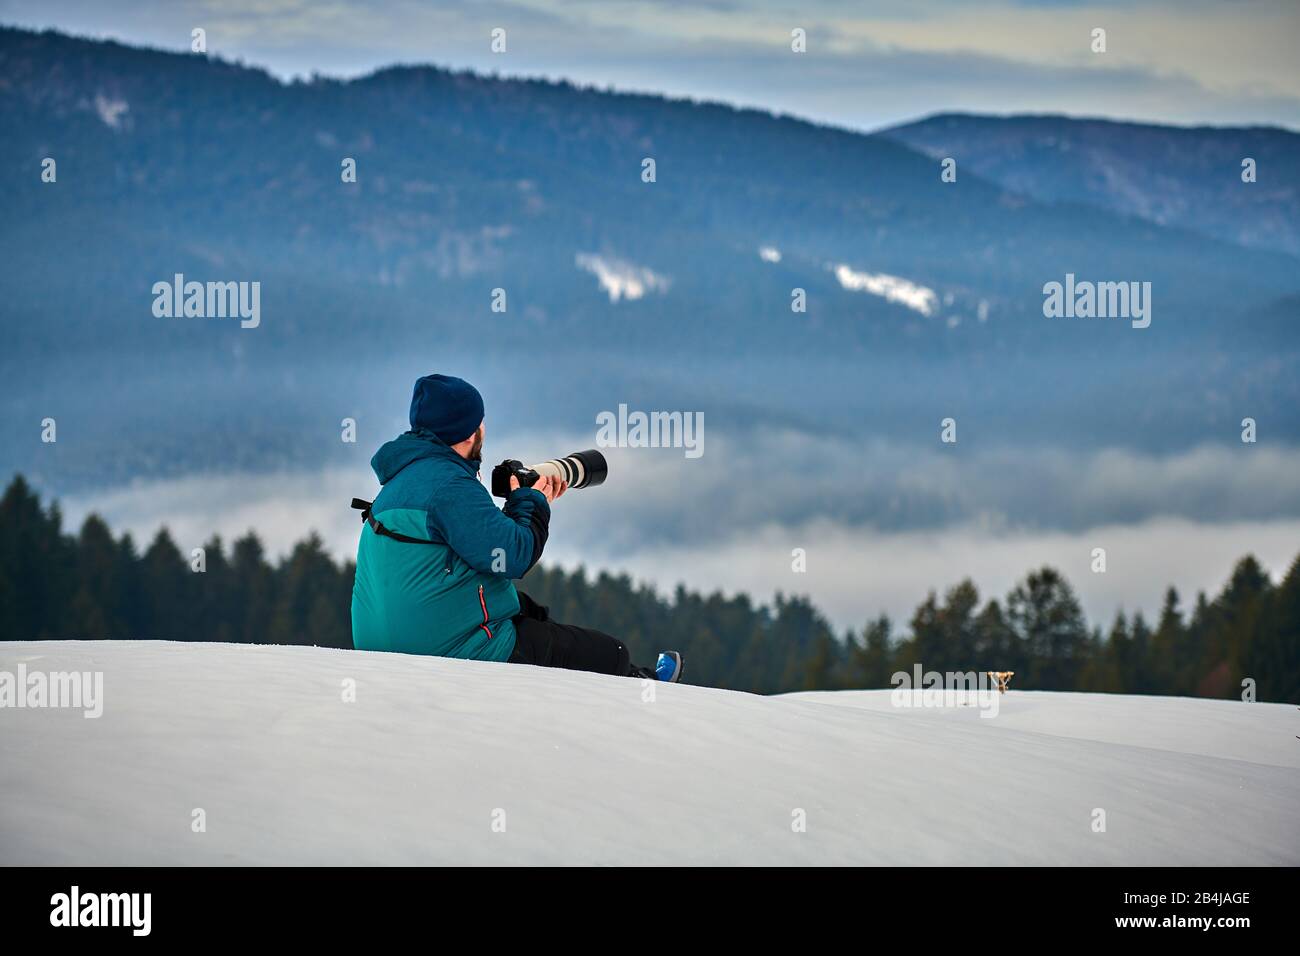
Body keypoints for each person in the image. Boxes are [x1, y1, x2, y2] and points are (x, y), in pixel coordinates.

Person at [350, 373, 684, 682]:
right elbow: (512, 556)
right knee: (607, 652)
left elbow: (477, 543)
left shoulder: (400, 482)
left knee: (527, 610)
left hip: (381, 644)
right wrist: (532, 502)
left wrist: (519, 504)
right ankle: (645, 686)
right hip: (449, 649)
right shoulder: (449, 486)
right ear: (469, 432)